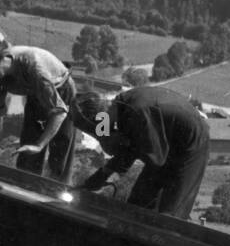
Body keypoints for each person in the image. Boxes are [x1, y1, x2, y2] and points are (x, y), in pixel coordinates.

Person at [72, 84, 210, 220]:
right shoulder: (123, 106)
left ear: (100, 118)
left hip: (191, 146)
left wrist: (113, 170)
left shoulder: (137, 112)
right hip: (167, 147)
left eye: (98, 130)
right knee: (137, 205)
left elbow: (153, 159)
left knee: (170, 215)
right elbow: (133, 149)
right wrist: (101, 176)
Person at [0, 42, 78, 181]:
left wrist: (39, 145)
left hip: (62, 92)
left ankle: (56, 196)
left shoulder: (34, 68)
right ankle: (26, 188)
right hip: (35, 95)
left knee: (59, 156)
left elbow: (60, 112)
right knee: (27, 154)